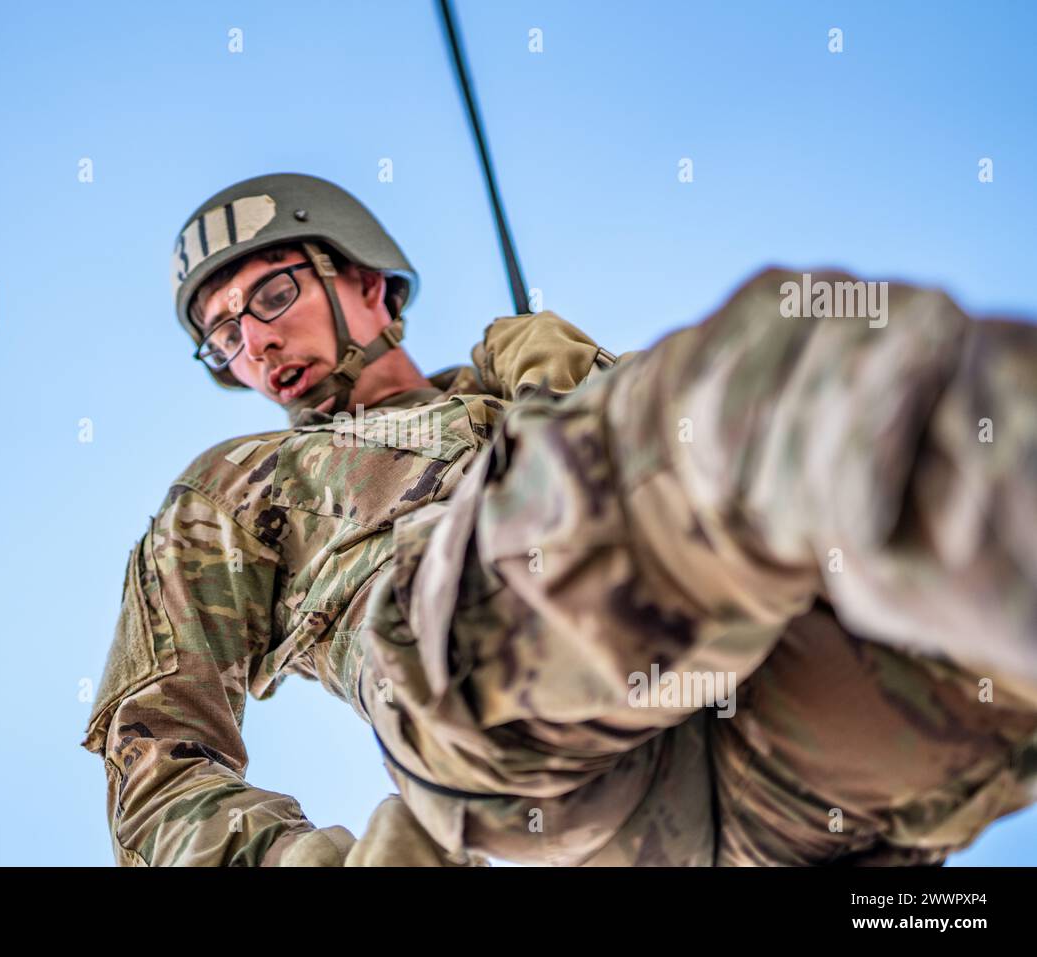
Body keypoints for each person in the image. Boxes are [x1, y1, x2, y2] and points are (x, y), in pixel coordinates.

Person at [82, 172, 1037, 866]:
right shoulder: (235, 485)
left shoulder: (533, 377)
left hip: (799, 754)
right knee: (760, 377)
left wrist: (577, 386)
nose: (251, 342)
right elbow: (157, 765)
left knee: (806, 410)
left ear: (370, 283)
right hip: (528, 741)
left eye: (272, 292)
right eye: (221, 334)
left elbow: (724, 476)